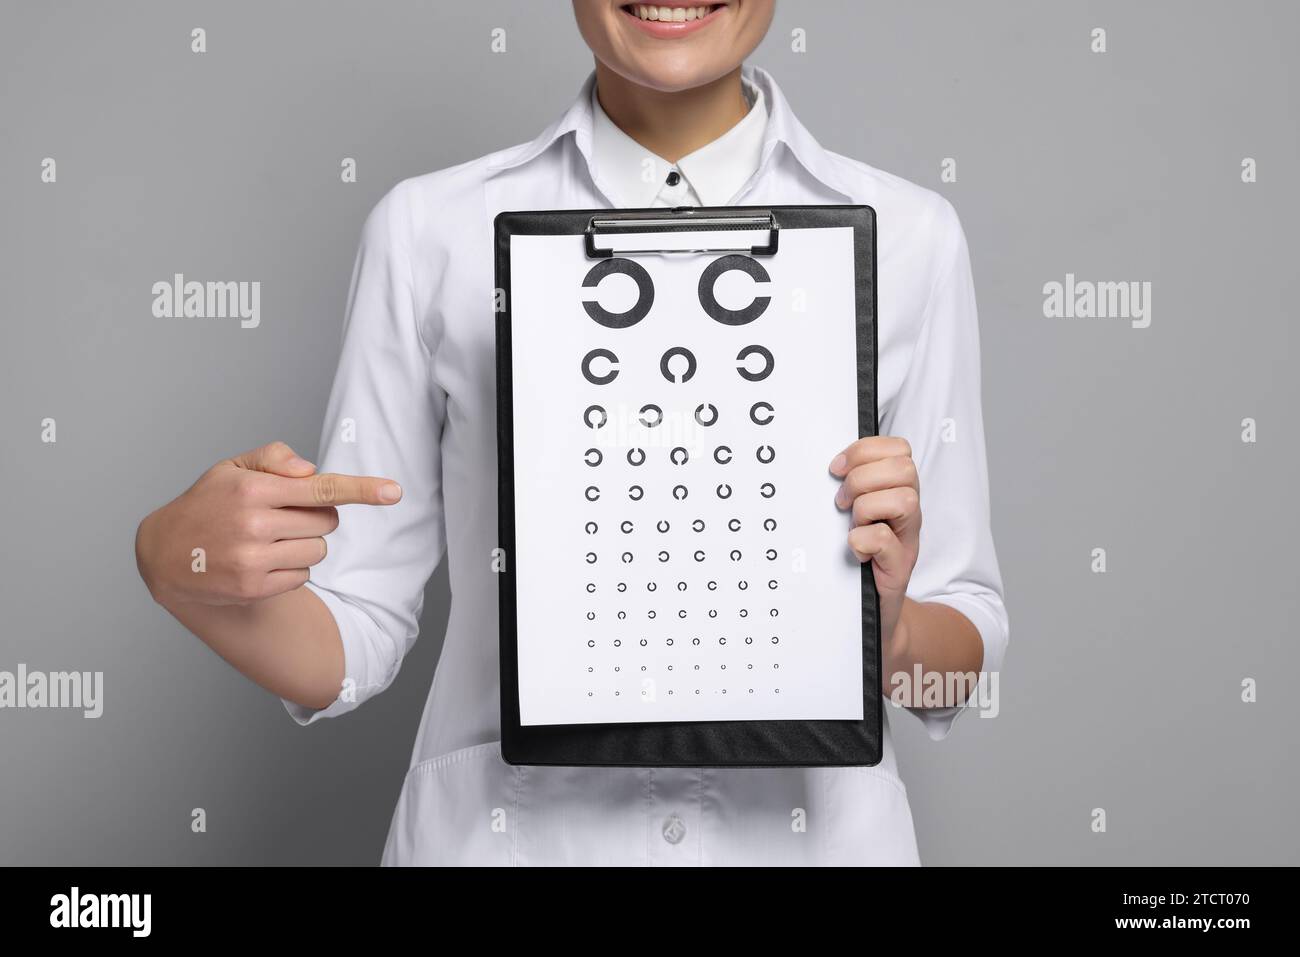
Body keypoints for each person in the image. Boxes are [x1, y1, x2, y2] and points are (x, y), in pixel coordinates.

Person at [134, 0, 1008, 865]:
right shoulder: (429, 233)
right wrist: (182, 569)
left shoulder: (913, 240)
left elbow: (958, 646)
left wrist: (888, 630)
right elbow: (353, 631)